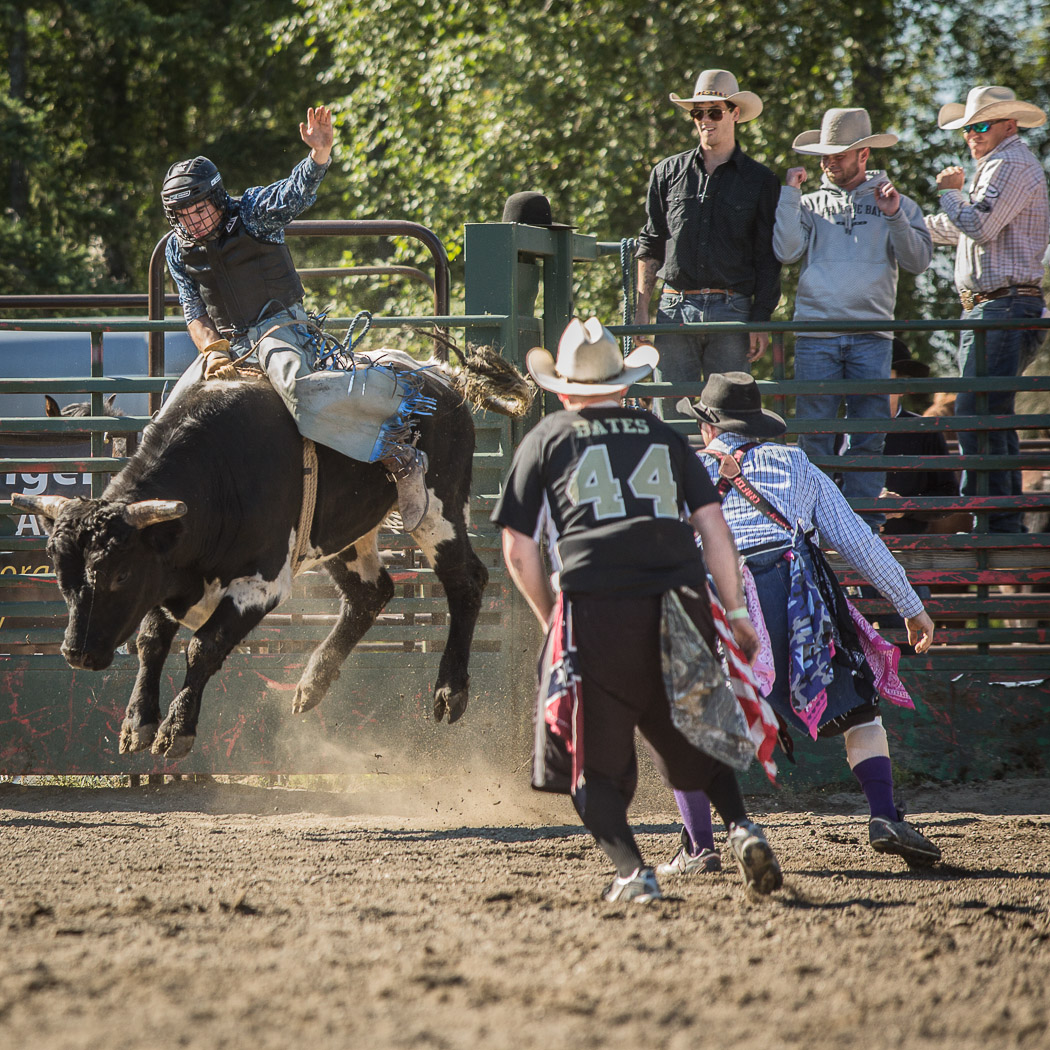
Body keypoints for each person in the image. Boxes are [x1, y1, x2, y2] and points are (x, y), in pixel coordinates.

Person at [492, 318, 783, 903]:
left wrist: (551, 617)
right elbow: (713, 528)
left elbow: (517, 548)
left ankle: (632, 871)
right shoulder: (664, 436)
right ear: (624, 386)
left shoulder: (548, 437)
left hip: (597, 607)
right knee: (694, 726)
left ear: (564, 389)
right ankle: (742, 827)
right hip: (679, 600)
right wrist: (737, 612)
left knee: (582, 760)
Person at [657, 372, 941, 877]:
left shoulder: (681, 474)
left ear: (707, 427)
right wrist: (909, 603)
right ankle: (882, 816)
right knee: (858, 712)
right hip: (798, 599)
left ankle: (700, 846)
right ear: (757, 426)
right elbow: (856, 540)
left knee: (689, 723)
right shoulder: (795, 463)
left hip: (724, 601)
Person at [161, 105, 431, 530]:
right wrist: (212, 351)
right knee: (168, 416)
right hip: (228, 342)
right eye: (183, 213)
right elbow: (193, 309)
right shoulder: (177, 250)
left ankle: (397, 447)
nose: (193, 220)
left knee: (300, 393)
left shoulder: (249, 213)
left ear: (215, 199)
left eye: (199, 209)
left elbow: (292, 194)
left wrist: (318, 156)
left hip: (277, 326)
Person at [773, 107, 933, 531]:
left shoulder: (896, 202)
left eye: (839, 154)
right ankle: (811, 525)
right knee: (814, 436)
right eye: (825, 154)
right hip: (816, 334)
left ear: (863, 154)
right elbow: (786, 251)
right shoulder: (807, 203)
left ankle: (863, 528)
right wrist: (789, 194)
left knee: (869, 436)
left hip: (872, 336)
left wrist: (895, 212)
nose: (828, 162)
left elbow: (917, 261)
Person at [924, 85, 1049, 534]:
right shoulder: (997, 166)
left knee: (980, 410)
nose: (971, 135)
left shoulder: (1011, 163)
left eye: (979, 125)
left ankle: (993, 517)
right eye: (967, 128)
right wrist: (900, 220)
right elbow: (964, 226)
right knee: (987, 411)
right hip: (993, 307)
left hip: (1004, 305)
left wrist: (950, 193)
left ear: (1009, 126)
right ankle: (997, 517)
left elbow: (977, 223)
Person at [634, 69, 781, 417]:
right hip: (673, 309)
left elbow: (768, 255)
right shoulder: (667, 173)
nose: (704, 120)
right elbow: (651, 242)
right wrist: (641, 311)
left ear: (735, 113)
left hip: (732, 311)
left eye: (714, 111)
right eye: (697, 113)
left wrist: (761, 318)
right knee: (672, 416)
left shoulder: (761, 180)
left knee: (730, 418)